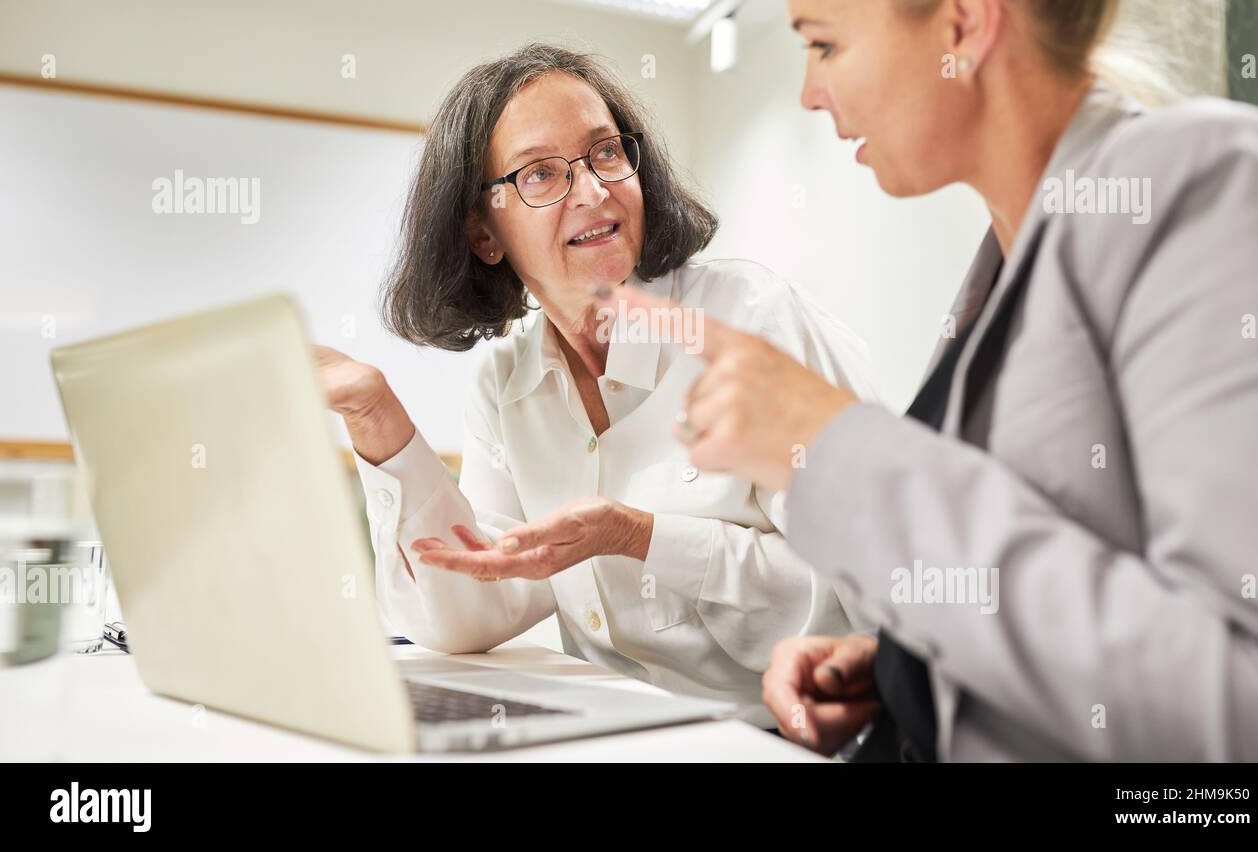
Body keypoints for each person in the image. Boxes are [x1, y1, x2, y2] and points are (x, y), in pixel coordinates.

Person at [600, 0, 1258, 758]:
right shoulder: (1011, 258)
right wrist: (913, 670)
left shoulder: (1202, 182)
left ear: (962, 22)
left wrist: (837, 447)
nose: (811, 92)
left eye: (824, 42)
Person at [314, 43, 878, 723]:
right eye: (542, 174)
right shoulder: (505, 382)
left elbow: (871, 591)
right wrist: (377, 420)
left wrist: (639, 536)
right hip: (620, 739)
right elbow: (466, 614)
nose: (592, 190)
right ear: (484, 233)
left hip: (794, 740)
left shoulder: (751, 320)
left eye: (605, 152)